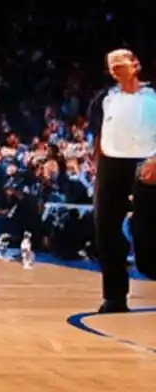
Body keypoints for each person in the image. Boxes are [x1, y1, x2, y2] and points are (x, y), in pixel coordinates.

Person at [88, 48, 156, 314]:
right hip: (111, 164)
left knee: (146, 231)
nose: (116, 68)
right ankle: (114, 297)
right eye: (112, 65)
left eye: (121, 62)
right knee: (106, 228)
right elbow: (98, 133)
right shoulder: (104, 99)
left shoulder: (152, 96)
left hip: (148, 163)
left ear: (135, 64)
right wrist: (98, 165)